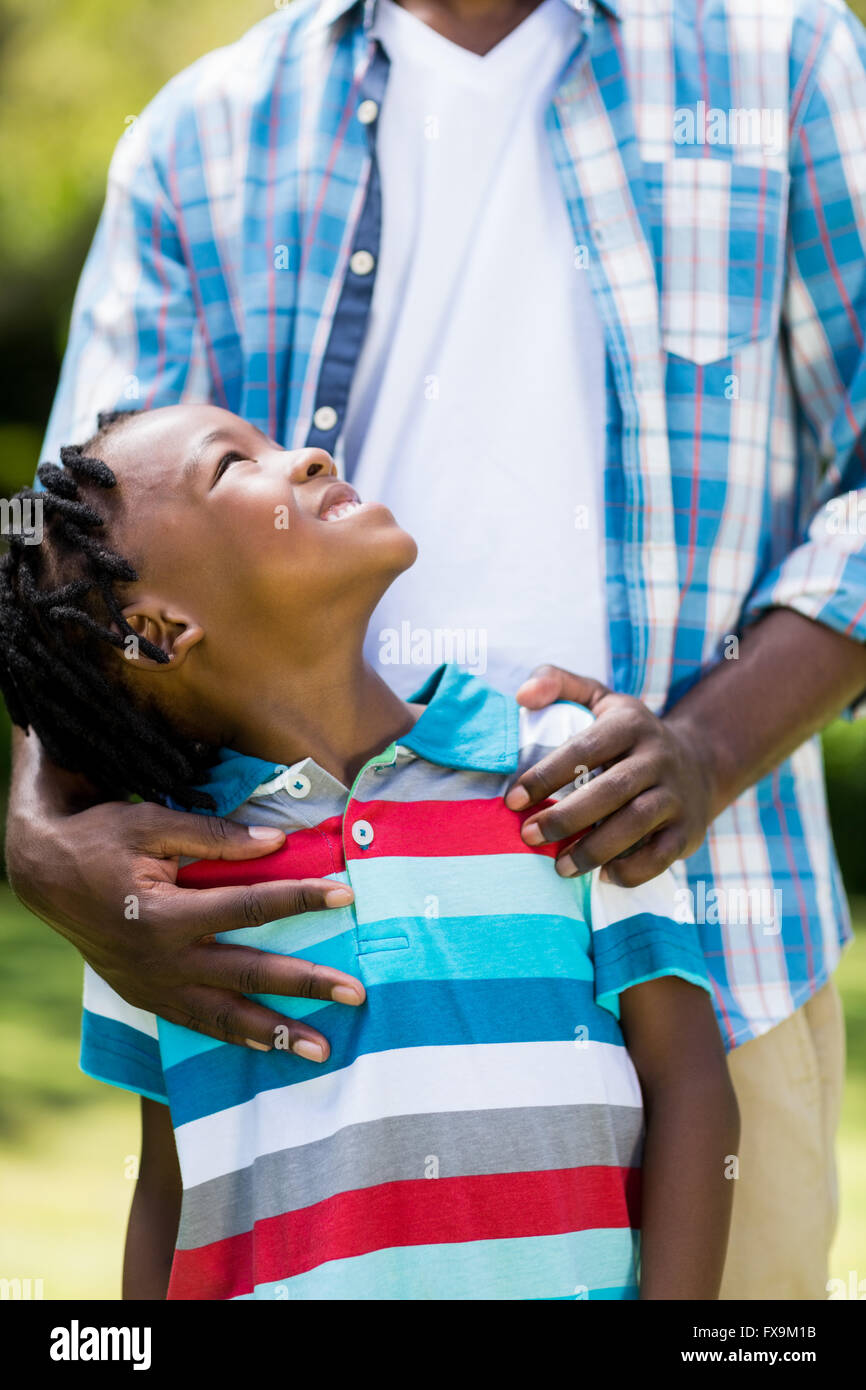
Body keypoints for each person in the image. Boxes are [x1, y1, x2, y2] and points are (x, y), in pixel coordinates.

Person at [6, 0, 866, 1299]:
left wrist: (702, 744)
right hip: (261, 932)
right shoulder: (198, 137)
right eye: (242, 456)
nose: (303, 458)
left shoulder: (782, 57)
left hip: (720, 935)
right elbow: (58, 554)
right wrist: (34, 834)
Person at [0, 403, 738, 1299]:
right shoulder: (159, 888)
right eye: (232, 468)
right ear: (159, 633)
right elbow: (170, 1190)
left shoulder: (569, 770)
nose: (309, 456)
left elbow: (689, 1083)